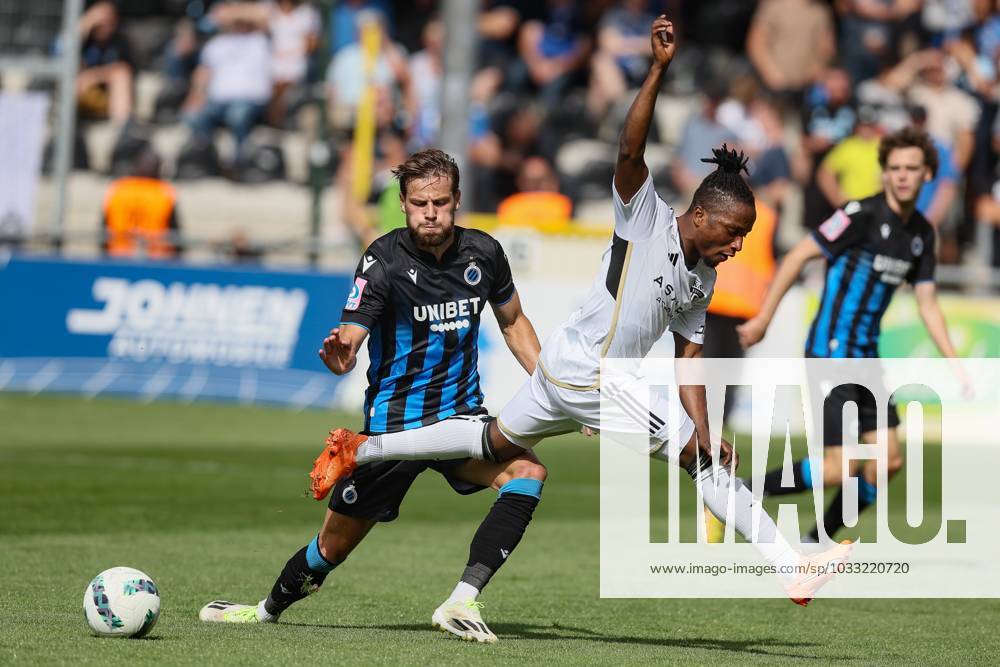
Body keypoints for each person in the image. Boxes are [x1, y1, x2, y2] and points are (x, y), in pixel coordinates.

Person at [316, 16, 854, 607]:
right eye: (733, 230)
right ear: (701, 215)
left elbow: (690, 360)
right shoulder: (645, 216)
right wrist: (657, 70)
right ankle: (791, 568)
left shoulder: (704, 278)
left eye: (745, 236)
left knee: (487, 443)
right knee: (705, 468)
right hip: (592, 374)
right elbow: (630, 148)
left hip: (559, 373)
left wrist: (706, 427)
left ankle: (362, 448)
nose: (738, 244)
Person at [199, 149, 547, 644]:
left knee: (528, 473)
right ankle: (265, 610)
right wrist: (343, 354)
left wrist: (555, 390)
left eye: (442, 202)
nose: (431, 212)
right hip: (393, 429)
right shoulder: (382, 260)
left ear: (457, 201)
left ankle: (462, 600)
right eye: (421, 203)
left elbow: (513, 323)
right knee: (330, 549)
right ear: (403, 204)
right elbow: (352, 332)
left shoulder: (485, 253)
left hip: (462, 417)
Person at [736, 127, 971, 543]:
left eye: (910, 168)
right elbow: (798, 255)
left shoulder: (921, 234)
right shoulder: (860, 214)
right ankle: (739, 493)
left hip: (866, 359)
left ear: (927, 175)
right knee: (839, 466)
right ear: (884, 173)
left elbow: (928, 303)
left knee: (888, 463)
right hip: (831, 352)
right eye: (893, 168)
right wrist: (764, 318)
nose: (901, 176)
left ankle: (815, 540)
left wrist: (956, 365)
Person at [101, 148, 181, 259]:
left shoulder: (118, 188)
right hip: (155, 261)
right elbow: (175, 234)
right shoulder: (164, 192)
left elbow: (103, 229)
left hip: (117, 258)